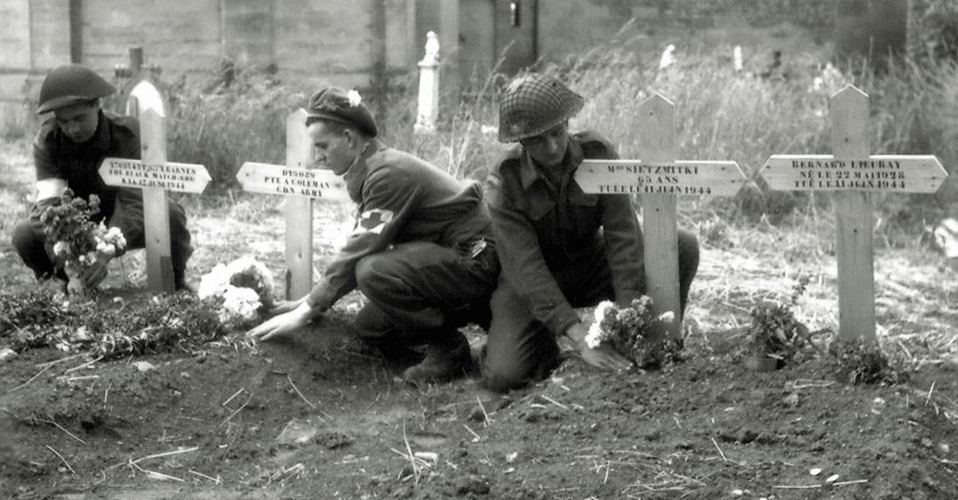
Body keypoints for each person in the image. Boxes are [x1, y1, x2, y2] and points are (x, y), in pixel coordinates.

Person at [249, 87, 499, 384]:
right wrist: (311, 300)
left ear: (349, 139)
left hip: (477, 262)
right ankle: (454, 324)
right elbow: (362, 243)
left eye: (323, 146)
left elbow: (362, 250)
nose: (318, 158)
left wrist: (307, 309)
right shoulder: (373, 167)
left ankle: (449, 348)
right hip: (449, 261)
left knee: (372, 270)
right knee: (371, 327)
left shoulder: (386, 175)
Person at [481, 72, 700, 392]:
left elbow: (622, 236)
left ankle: (657, 336)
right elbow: (525, 268)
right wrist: (579, 336)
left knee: (679, 244)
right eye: (538, 140)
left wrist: (628, 320)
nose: (553, 146)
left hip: (588, 265)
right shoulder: (505, 182)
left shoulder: (597, 153)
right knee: (504, 376)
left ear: (567, 123)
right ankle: (541, 342)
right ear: (522, 142)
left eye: (557, 133)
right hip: (531, 283)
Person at [12, 63, 193, 291]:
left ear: (98, 105)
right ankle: (65, 284)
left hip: (122, 215)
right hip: (75, 224)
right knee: (25, 234)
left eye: (79, 118)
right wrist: (68, 258)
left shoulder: (128, 134)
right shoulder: (48, 141)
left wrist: (104, 251)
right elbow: (49, 207)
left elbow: (135, 200)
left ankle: (175, 284)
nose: (73, 129)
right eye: (64, 121)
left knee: (170, 213)